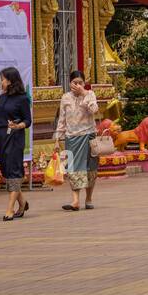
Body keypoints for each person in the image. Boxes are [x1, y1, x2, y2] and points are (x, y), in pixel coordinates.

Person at [0, 66, 31, 222]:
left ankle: (10, 209)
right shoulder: (2, 98)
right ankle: (22, 203)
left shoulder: (23, 98)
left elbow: (28, 120)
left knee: (14, 172)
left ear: (11, 80)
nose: (1, 82)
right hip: (1, 138)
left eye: (3, 79)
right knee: (7, 172)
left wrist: (18, 126)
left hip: (15, 138)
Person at [54, 70, 100, 211]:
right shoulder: (65, 98)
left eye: (80, 83)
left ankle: (89, 198)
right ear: (69, 83)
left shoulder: (90, 94)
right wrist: (57, 138)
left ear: (84, 83)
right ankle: (75, 201)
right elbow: (62, 119)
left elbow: (95, 110)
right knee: (73, 169)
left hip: (88, 135)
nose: (77, 85)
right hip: (72, 137)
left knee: (90, 169)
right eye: (75, 83)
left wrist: (84, 94)